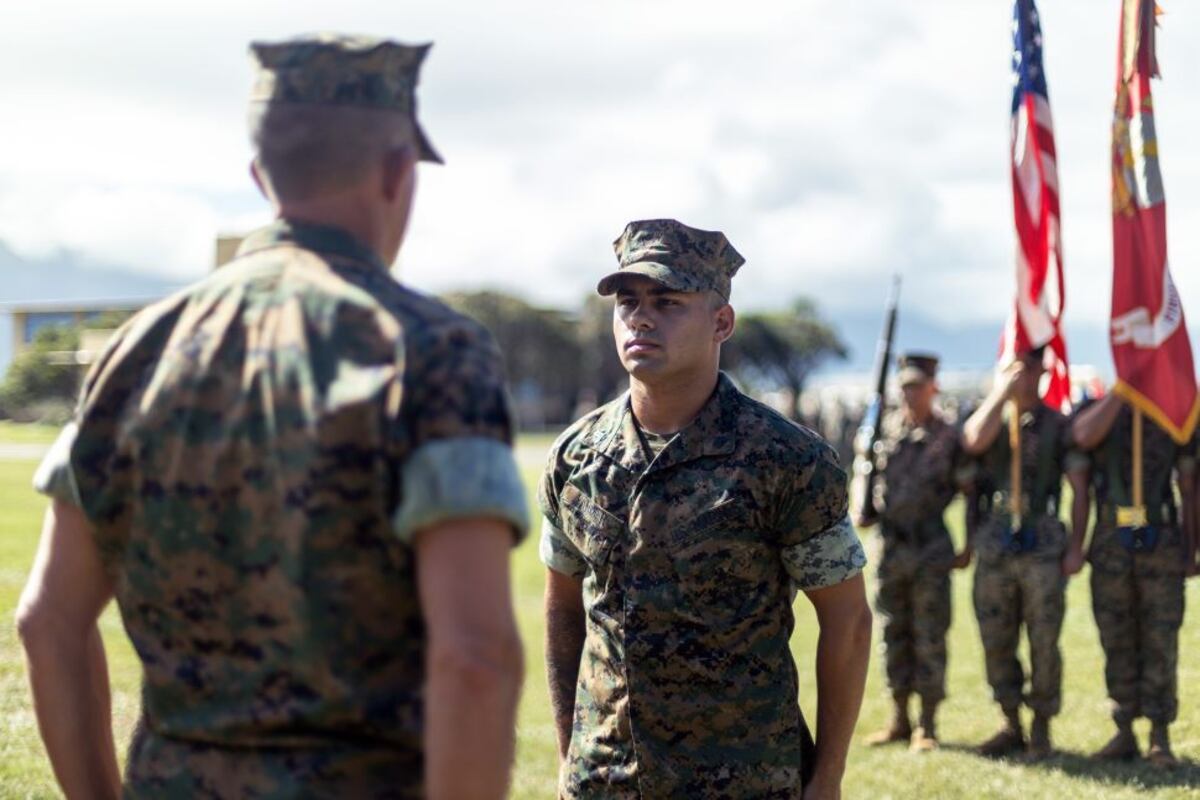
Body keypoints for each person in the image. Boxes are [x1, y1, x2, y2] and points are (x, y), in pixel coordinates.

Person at [16, 34, 528, 799]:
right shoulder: (431, 351)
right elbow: (475, 659)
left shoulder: (136, 350)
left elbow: (47, 622)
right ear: (397, 173)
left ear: (261, 176)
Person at [539, 218, 872, 799]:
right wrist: (571, 751)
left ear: (721, 322)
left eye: (668, 302)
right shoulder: (576, 458)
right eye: (629, 302)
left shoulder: (785, 459)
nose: (641, 318)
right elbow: (564, 607)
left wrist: (829, 777)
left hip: (744, 781)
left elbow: (846, 620)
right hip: (608, 779)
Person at [959, 349, 1088, 760]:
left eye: (1031, 367)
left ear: (1043, 371)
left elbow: (1080, 489)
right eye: (1015, 365)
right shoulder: (995, 419)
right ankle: (1010, 721)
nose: (1023, 374)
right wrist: (1001, 394)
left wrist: (1075, 548)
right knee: (996, 637)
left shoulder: (1057, 424)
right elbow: (972, 439)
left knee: (1044, 640)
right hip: (996, 544)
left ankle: (1042, 727)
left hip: (1043, 542)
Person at [852, 352, 970, 752]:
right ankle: (899, 718)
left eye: (917, 386)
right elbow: (864, 479)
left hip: (930, 546)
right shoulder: (883, 431)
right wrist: (861, 507)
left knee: (930, 635)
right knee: (892, 634)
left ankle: (928, 724)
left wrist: (968, 543)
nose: (909, 393)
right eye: (904, 386)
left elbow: (969, 491)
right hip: (890, 547)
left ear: (932, 387)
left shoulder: (949, 436)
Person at [1071, 391, 1196, 767]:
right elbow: (1081, 436)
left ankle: (1160, 735)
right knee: (1116, 635)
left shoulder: (1174, 411)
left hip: (1161, 537)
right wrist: (1120, 394)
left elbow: (1190, 488)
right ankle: (1123, 729)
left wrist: (1192, 548)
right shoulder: (1097, 408)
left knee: (1161, 637)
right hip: (1112, 538)